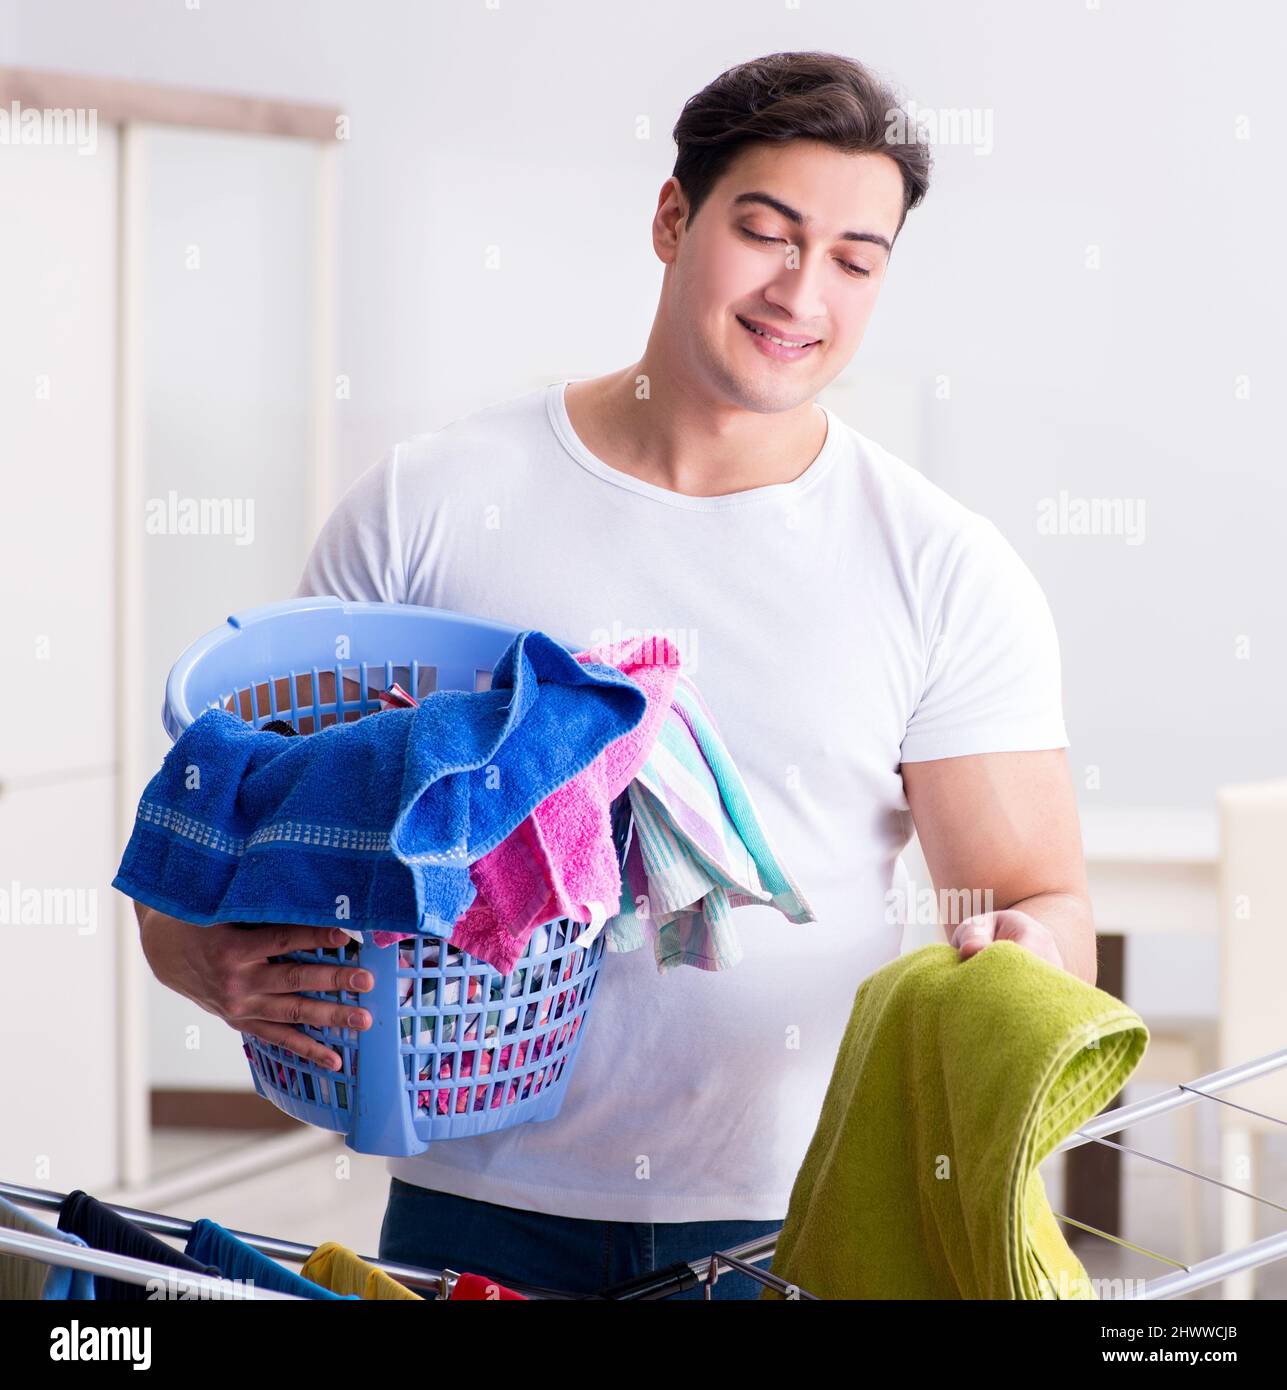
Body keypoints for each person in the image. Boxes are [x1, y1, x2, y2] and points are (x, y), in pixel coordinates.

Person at [134, 50, 1095, 1300]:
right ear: (671, 218)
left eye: (857, 260)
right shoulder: (432, 506)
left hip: (788, 1225)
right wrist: (197, 952)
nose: (804, 291)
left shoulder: (938, 566)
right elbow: (230, 825)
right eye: (767, 232)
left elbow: (1036, 901)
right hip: (473, 1207)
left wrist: (1027, 951)